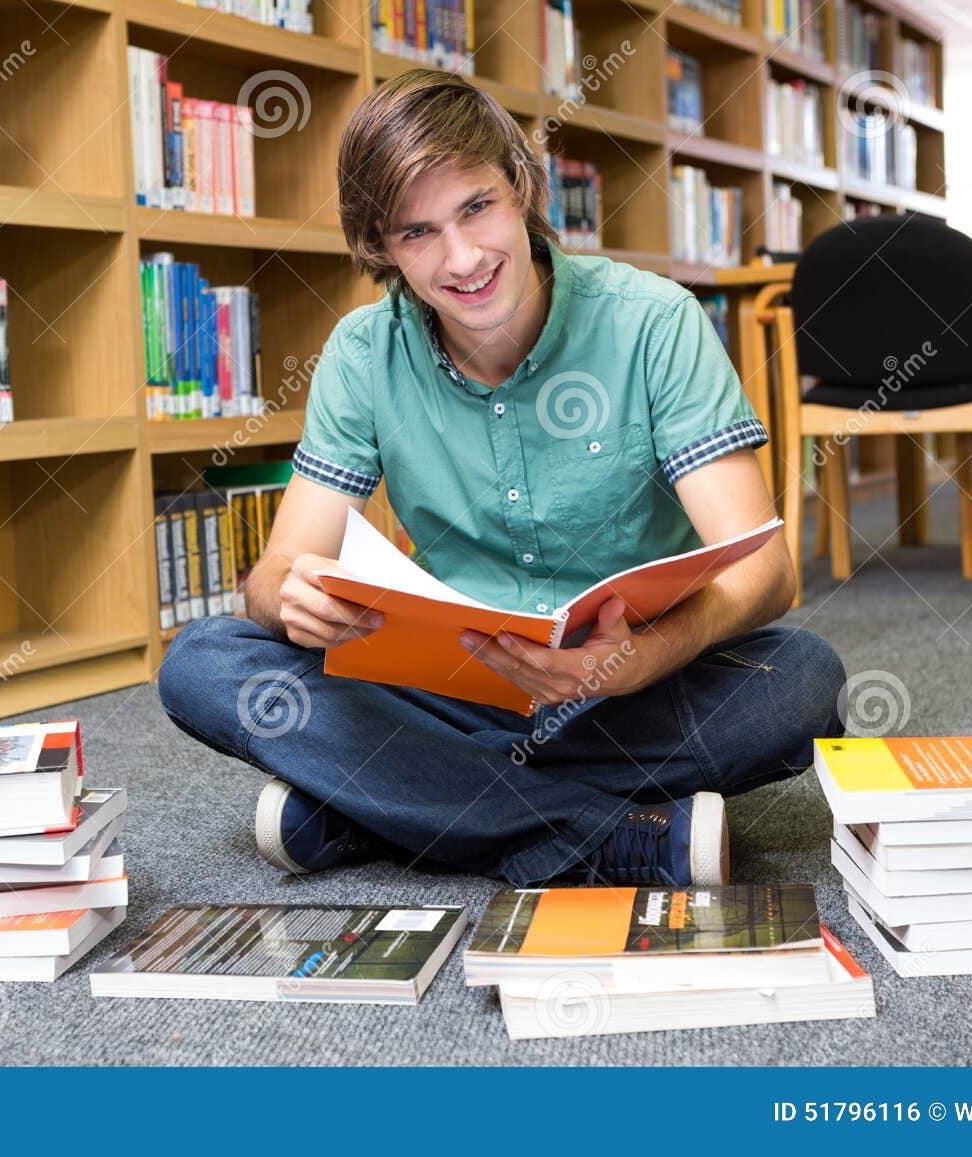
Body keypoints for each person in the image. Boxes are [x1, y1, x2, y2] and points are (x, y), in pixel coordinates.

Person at [159, 70, 845, 888]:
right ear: (381, 248)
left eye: (477, 207)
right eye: (418, 233)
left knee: (802, 681)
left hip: (626, 688)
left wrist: (641, 658)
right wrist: (291, 598)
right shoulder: (360, 351)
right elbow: (274, 574)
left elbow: (764, 568)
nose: (465, 259)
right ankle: (597, 832)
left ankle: (384, 805)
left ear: (522, 186)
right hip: (449, 687)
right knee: (203, 659)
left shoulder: (654, 322)